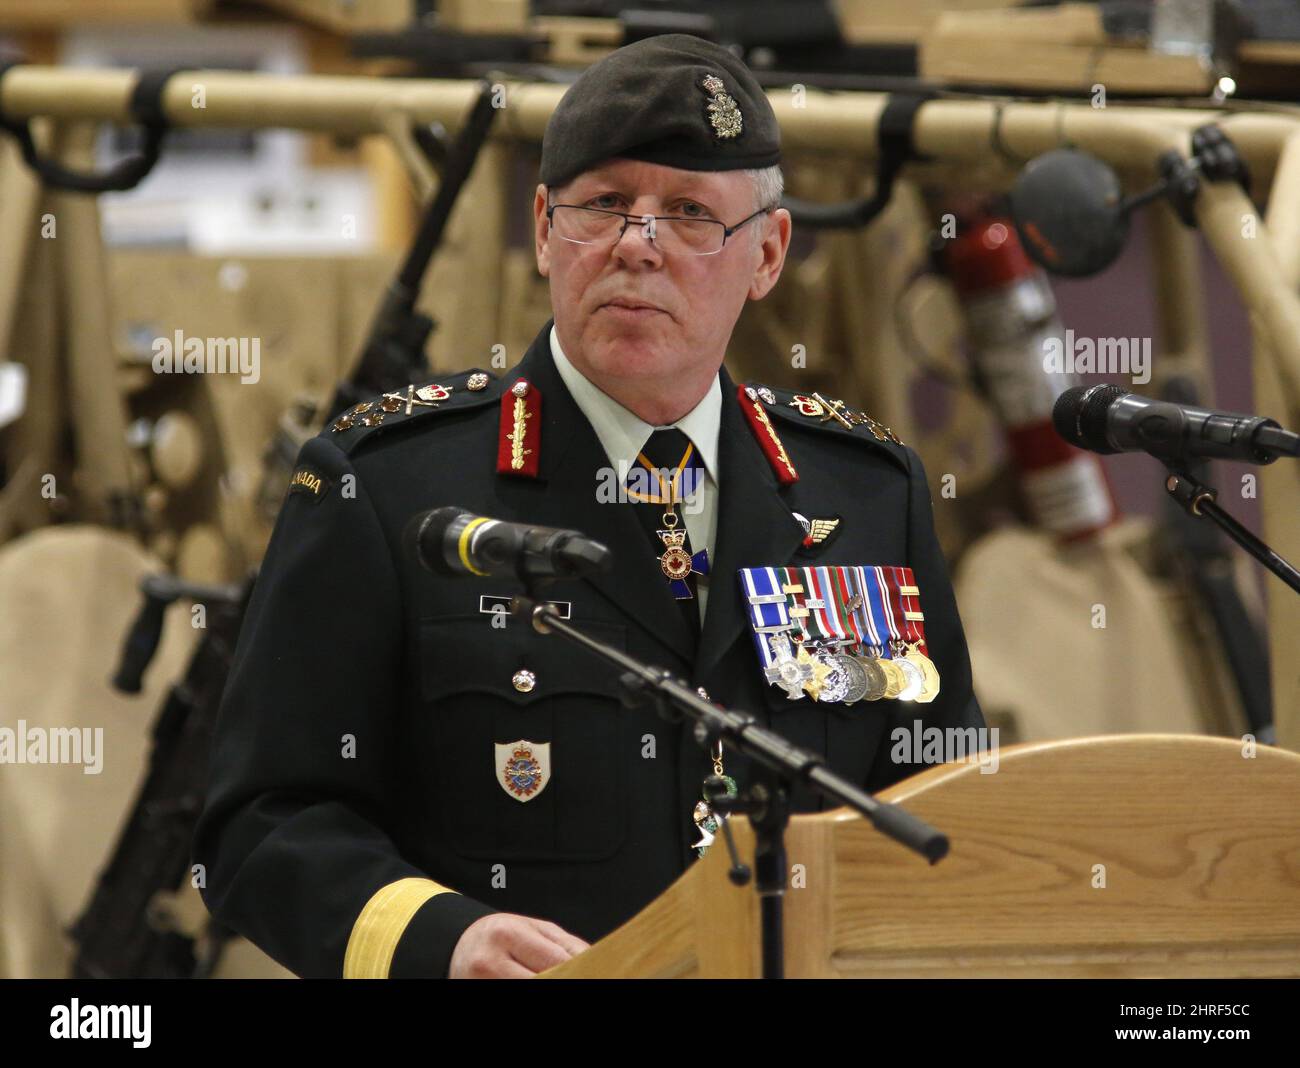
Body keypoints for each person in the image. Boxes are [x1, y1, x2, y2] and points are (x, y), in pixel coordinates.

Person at [193, 33, 984, 980]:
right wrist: (441, 939)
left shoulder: (866, 496)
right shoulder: (387, 486)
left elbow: (943, 803)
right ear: (541, 229)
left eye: (691, 214)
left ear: (768, 254)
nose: (637, 247)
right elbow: (261, 821)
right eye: (604, 205)